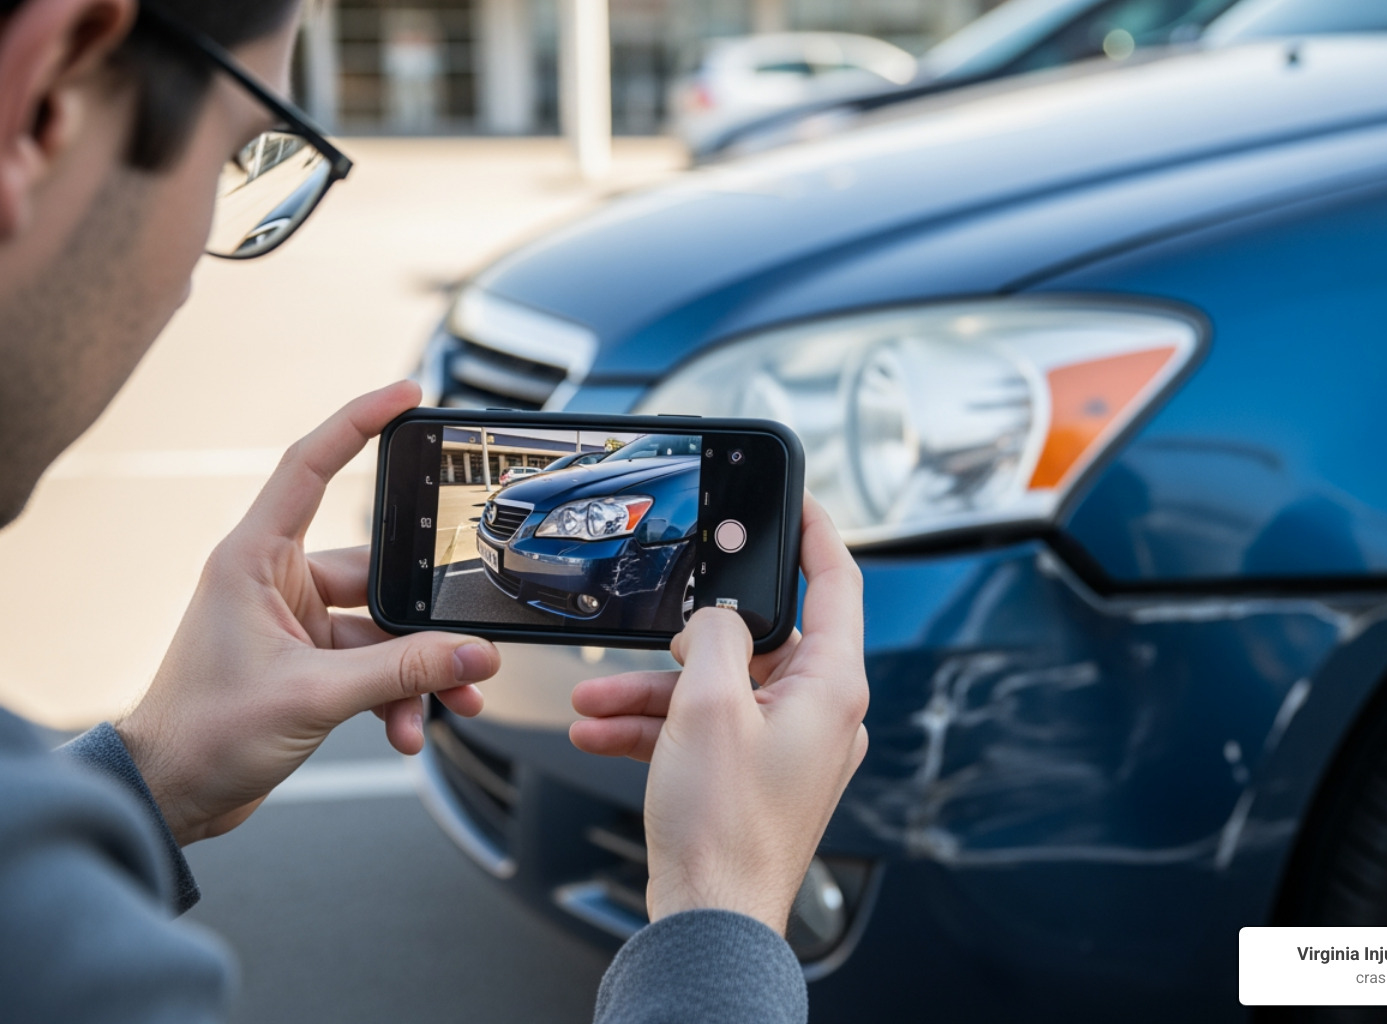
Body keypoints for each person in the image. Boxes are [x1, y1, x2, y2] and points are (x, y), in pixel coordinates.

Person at [0, 0, 870, 1021]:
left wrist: (146, 778)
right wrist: (722, 915)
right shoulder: (72, 968)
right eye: (242, 155)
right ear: (45, 97)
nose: (199, 266)